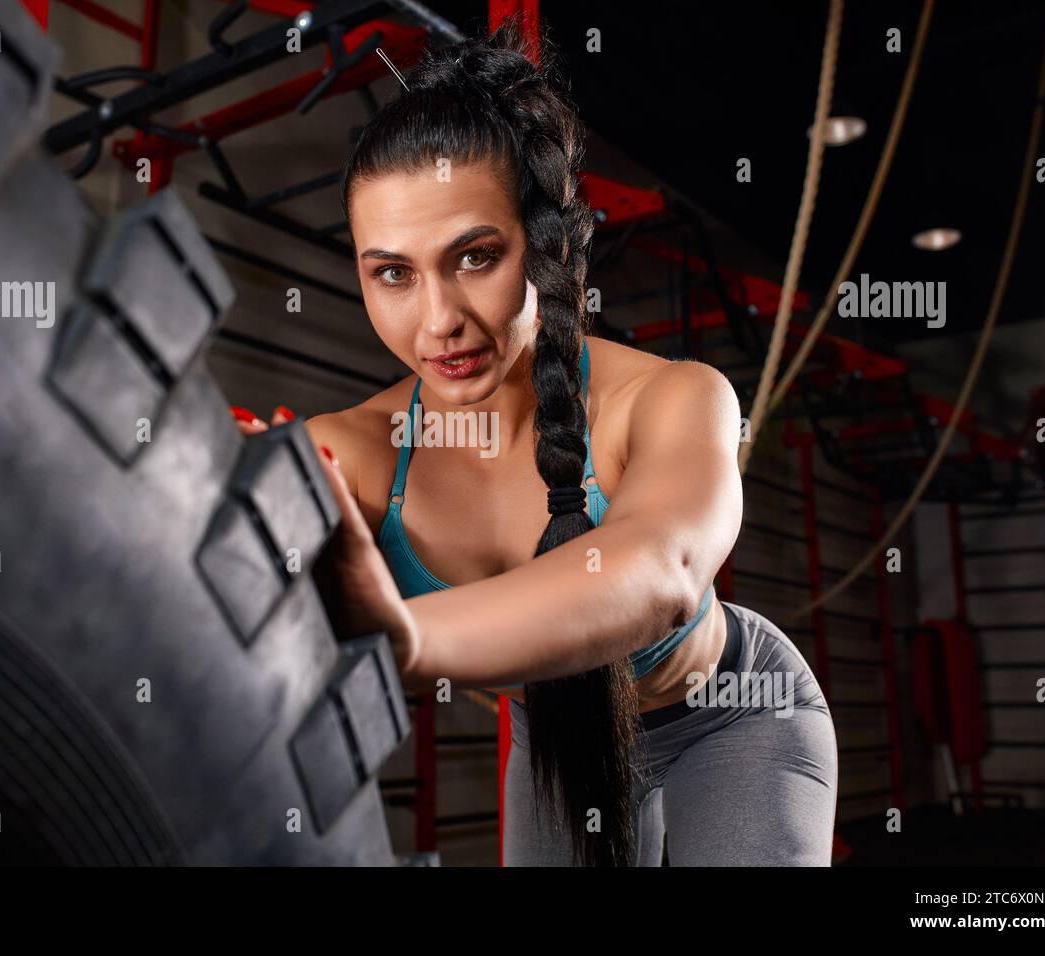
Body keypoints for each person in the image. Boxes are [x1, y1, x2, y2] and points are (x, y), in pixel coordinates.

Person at [236, 18, 837, 867]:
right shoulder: (362, 451)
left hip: (732, 715)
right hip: (556, 743)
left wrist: (410, 636)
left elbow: (659, 574)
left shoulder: (672, 397)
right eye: (393, 273)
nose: (438, 320)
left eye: (475, 256)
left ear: (544, 244)